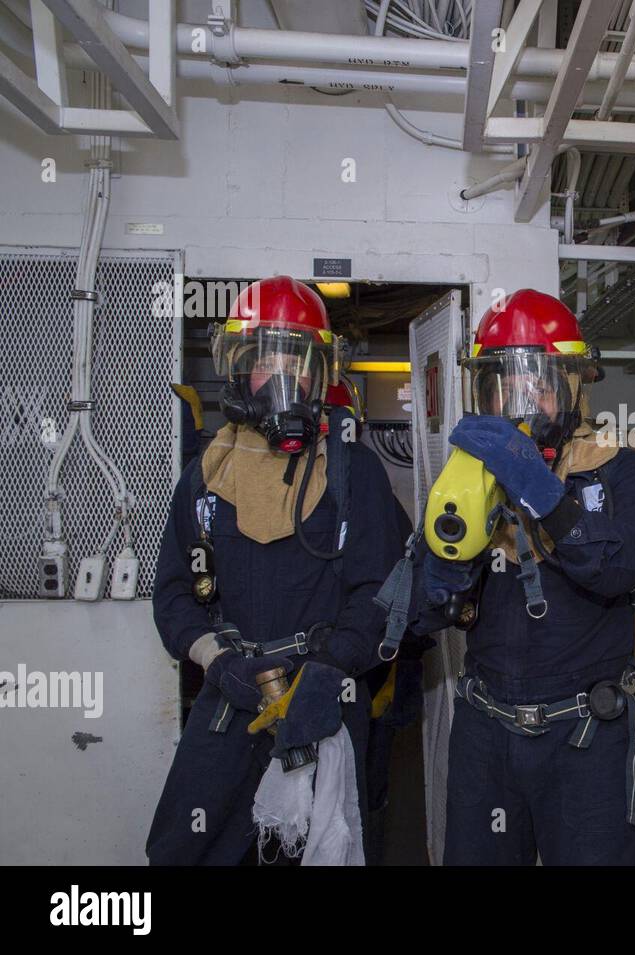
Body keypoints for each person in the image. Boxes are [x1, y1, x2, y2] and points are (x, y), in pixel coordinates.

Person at [147, 276, 403, 865]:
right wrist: (218, 660)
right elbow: (173, 596)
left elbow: (382, 594)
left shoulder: (354, 474)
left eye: (300, 363)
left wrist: (334, 666)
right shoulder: (203, 478)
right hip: (231, 695)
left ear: (321, 374)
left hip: (323, 701)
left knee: (317, 850)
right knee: (185, 849)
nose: (287, 380)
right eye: (269, 362)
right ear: (238, 371)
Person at [413, 289, 635, 865]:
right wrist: (442, 568)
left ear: (575, 387)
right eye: (503, 386)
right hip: (486, 734)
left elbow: (614, 572)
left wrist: (541, 490)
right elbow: (416, 620)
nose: (525, 402)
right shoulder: (471, 482)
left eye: (541, 384)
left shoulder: (624, 472)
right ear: (483, 393)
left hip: (585, 738)